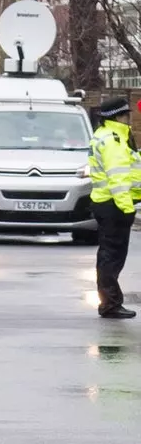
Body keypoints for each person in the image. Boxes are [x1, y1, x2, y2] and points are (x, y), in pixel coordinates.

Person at [88, 94, 139, 318]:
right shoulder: (113, 140)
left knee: (108, 254)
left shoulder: (105, 135)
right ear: (119, 116)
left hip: (106, 202)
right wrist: (127, 209)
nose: (130, 118)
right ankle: (110, 304)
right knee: (112, 256)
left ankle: (109, 302)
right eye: (127, 114)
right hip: (114, 204)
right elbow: (117, 177)